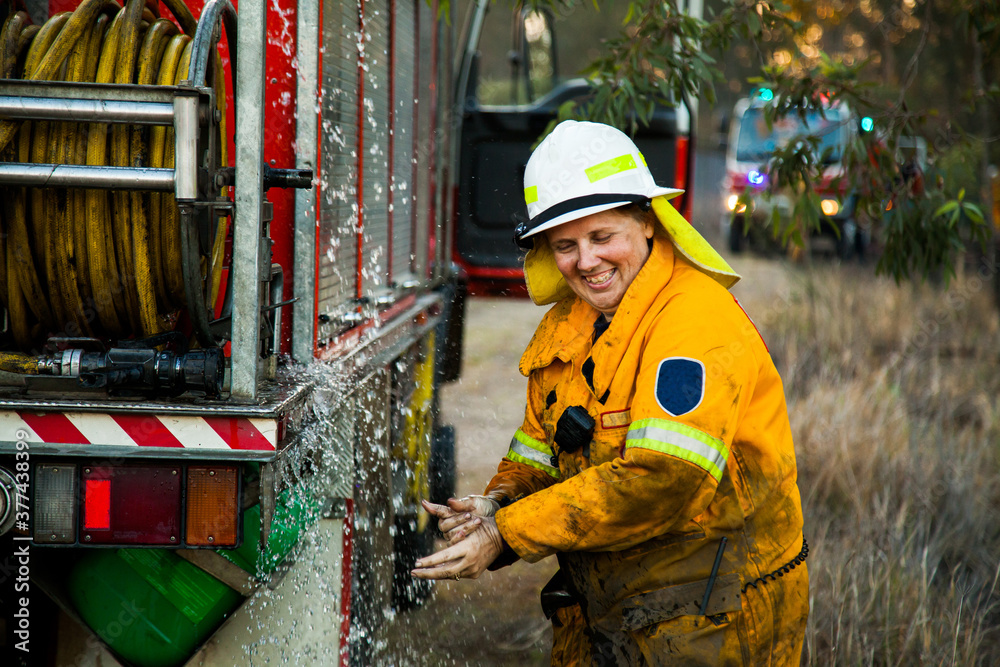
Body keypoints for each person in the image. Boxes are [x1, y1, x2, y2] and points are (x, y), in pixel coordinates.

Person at [413, 120, 809, 665]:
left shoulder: (694, 321)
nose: (587, 261)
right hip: (616, 605)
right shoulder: (569, 325)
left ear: (647, 223)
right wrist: (495, 503)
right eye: (566, 246)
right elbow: (539, 448)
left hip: (715, 612)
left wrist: (506, 533)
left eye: (603, 237)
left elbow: (663, 479)